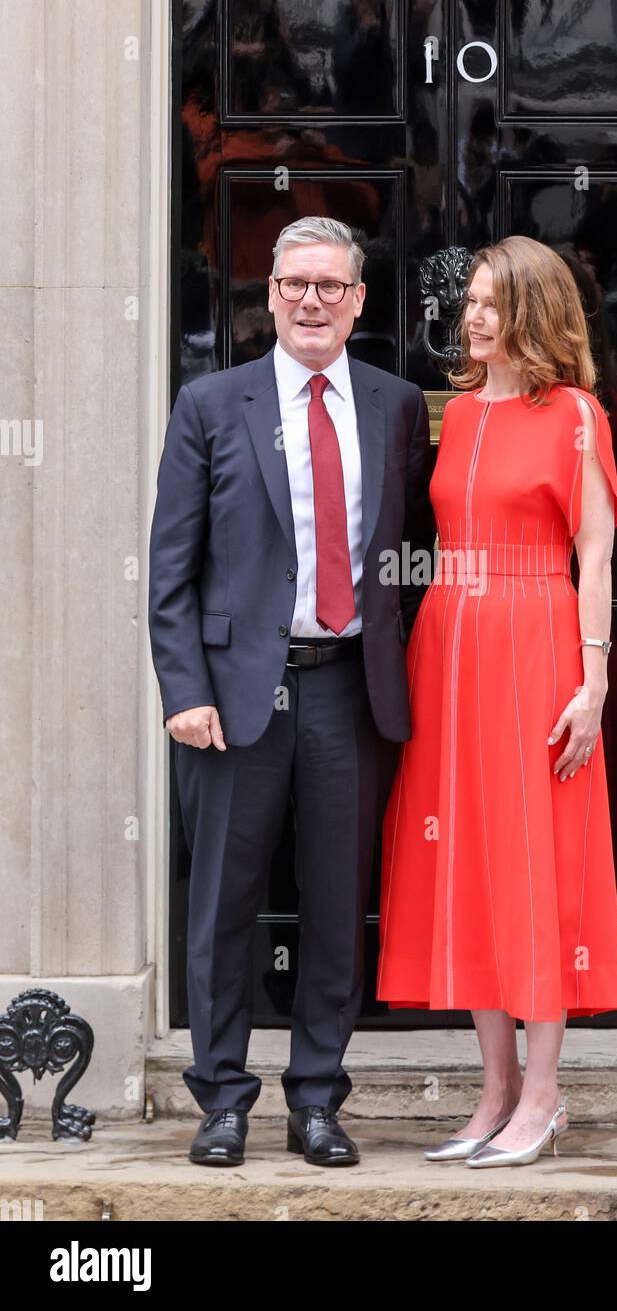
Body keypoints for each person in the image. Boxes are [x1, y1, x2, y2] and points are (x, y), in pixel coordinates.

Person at [148, 216, 435, 1167]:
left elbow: (416, 553)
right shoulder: (211, 402)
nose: (312, 301)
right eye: (295, 285)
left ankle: (317, 1098)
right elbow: (171, 570)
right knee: (222, 905)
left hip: (349, 691)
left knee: (334, 904)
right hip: (233, 699)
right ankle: (222, 1099)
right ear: (269, 295)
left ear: (358, 300)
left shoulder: (397, 407)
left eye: (332, 286)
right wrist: (184, 688)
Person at [376, 235, 617, 1167]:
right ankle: (492, 1091)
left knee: (537, 860)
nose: (471, 316)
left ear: (535, 311)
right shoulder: (455, 414)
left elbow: (596, 553)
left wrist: (592, 682)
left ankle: (545, 1092)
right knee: (469, 860)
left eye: (490, 302)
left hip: (538, 640)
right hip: (447, 643)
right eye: (470, 302)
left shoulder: (574, 414)